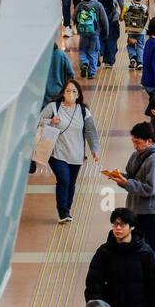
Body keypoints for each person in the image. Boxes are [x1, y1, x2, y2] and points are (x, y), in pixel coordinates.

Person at [105, 121, 155, 258]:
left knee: (151, 246)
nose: (135, 146)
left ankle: (153, 274)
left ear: (149, 141)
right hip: (136, 209)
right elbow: (130, 176)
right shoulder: (136, 155)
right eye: (133, 142)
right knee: (136, 245)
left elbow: (150, 189)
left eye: (138, 142)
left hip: (150, 212)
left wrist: (127, 183)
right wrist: (119, 177)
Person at [39, 78, 101, 223]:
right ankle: (63, 212)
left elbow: (90, 131)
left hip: (77, 153)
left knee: (71, 183)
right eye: (68, 91)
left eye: (74, 91)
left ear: (78, 94)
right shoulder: (53, 107)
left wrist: (95, 150)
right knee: (64, 180)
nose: (71, 93)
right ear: (63, 93)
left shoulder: (84, 111)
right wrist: (50, 121)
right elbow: (37, 121)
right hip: (56, 153)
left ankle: (67, 209)